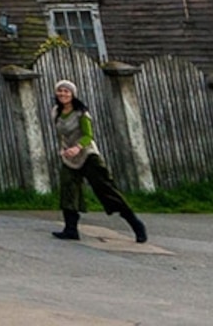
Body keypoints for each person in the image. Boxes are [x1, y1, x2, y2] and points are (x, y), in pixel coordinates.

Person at [51, 80, 147, 243]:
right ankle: (71, 229)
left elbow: (88, 135)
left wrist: (78, 147)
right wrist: (64, 149)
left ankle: (136, 224)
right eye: (60, 91)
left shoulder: (82, 113)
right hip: (69, 157)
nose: (63, 94)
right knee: (68, 188)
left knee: (105, 189)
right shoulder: (56, 112)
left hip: (88, 154)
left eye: (66, 91)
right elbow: (62, 135)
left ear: (73, 94)